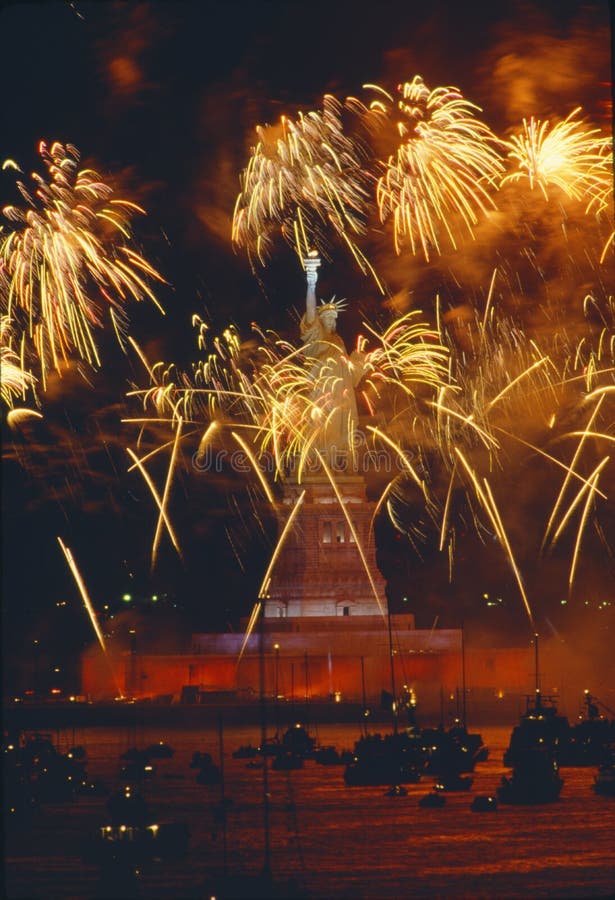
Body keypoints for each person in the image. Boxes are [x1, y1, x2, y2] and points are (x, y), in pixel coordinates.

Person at [299, 255, 363, 469]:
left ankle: (336, 469)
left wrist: (359, 362)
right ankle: (319, 467)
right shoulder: (317, 335)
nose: (333, 320)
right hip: (322, 391)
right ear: (320, 320)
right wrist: (311, 284)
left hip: (341, 394)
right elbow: (310, 312)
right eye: (329, 318)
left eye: (334, 318)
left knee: (340, 433)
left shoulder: (338, 340)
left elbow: (351, 376)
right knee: (321, 429)